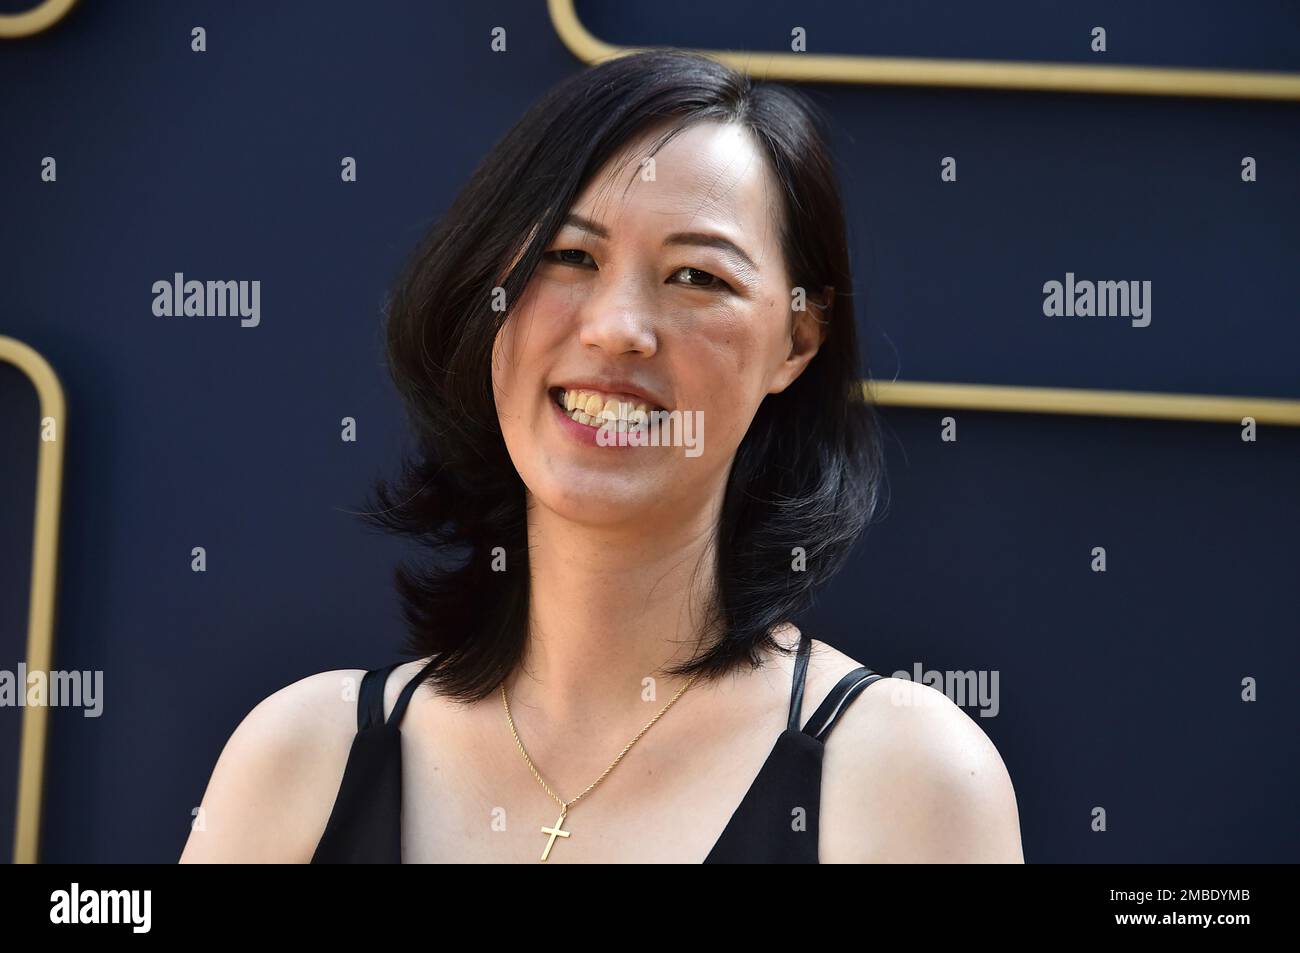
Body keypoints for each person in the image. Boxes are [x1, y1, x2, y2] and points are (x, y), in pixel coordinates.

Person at [180, 49, 1024, 864]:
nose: (618, 326)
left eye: (698, 277)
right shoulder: (300, 758)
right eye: (569, 256)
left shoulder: (902, 777)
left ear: (797, 340)